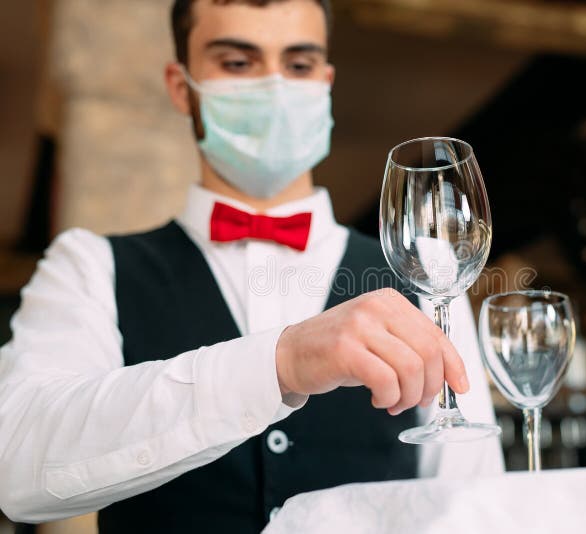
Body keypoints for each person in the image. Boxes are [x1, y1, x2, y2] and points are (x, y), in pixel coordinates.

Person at [0, 0, 504, 532]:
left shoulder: (427, 277)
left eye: (299, 65)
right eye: (237, 63)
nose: (274, 86)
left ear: (325, 84)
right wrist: (279, 363)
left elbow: (472, 505)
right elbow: (14, 470)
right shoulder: (90, 265)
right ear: (180, 86)